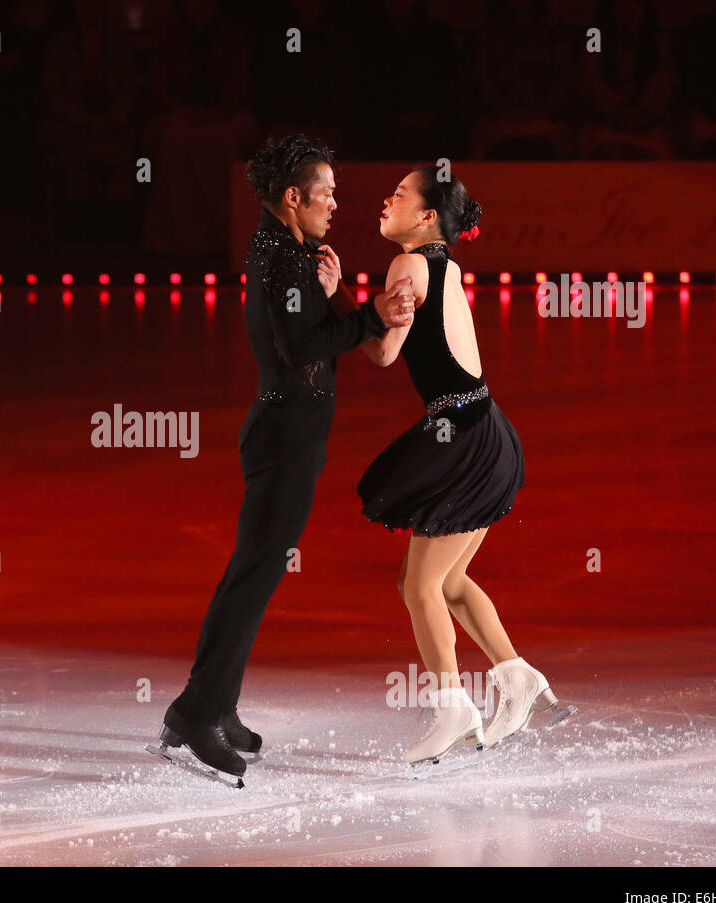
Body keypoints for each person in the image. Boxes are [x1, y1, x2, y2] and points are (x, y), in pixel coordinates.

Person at [155, 135, 415, 784]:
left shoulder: (289, 250)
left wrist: (335, 294)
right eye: (326, 192)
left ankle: (214, 704)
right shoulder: (282, 258)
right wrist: (371, 315)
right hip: (283, 438)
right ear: (293, 197)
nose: (335, 203)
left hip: (290, 433)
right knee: (250, 579)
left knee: (256, 577)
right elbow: (304, 349)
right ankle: (195, 714)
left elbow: (305, 332)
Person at [325, 166, 567, 767]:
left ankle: (453, 710)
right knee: (448, 581)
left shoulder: (407, 265)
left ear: (427, 216)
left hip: (460, 437)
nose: (388, 198)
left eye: (401, 195)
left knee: (420, 584)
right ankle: (518, 679)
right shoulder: (445, 265)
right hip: (483, 427)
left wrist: (334, 293)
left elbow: (382, 353)